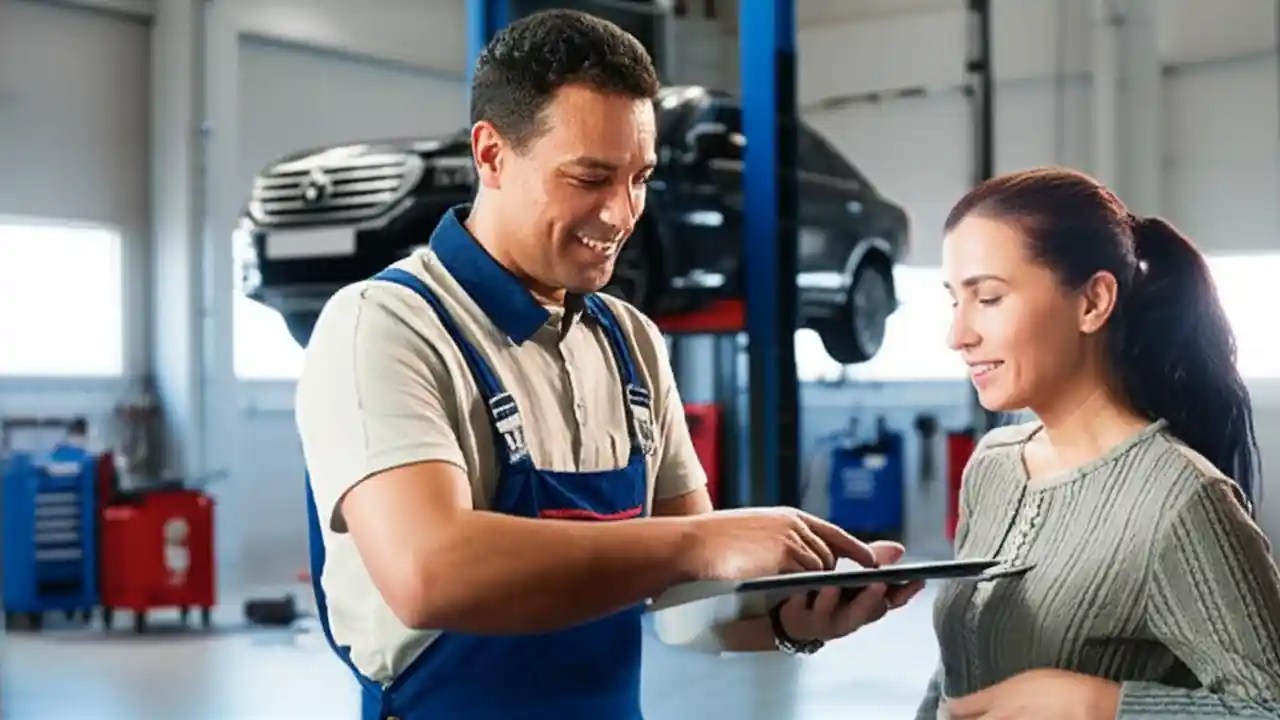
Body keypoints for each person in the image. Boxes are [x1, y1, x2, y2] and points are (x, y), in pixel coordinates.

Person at [295, 10, 921, 720]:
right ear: (491, 155)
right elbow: (428, 571)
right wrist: (703, 540)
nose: (623, 214)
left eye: (640, 178)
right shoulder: (384, 326)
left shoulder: (631, 343)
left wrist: (793, 620)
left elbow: (686, 603)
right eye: (589, 177)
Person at [917, 166, 1280, 719]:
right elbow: (953, 677)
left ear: (1092, 302)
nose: (958, 335)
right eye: (954, 300)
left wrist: (1102, 706)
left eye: (987, 298)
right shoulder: (992, 467)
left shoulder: (1180, 499)